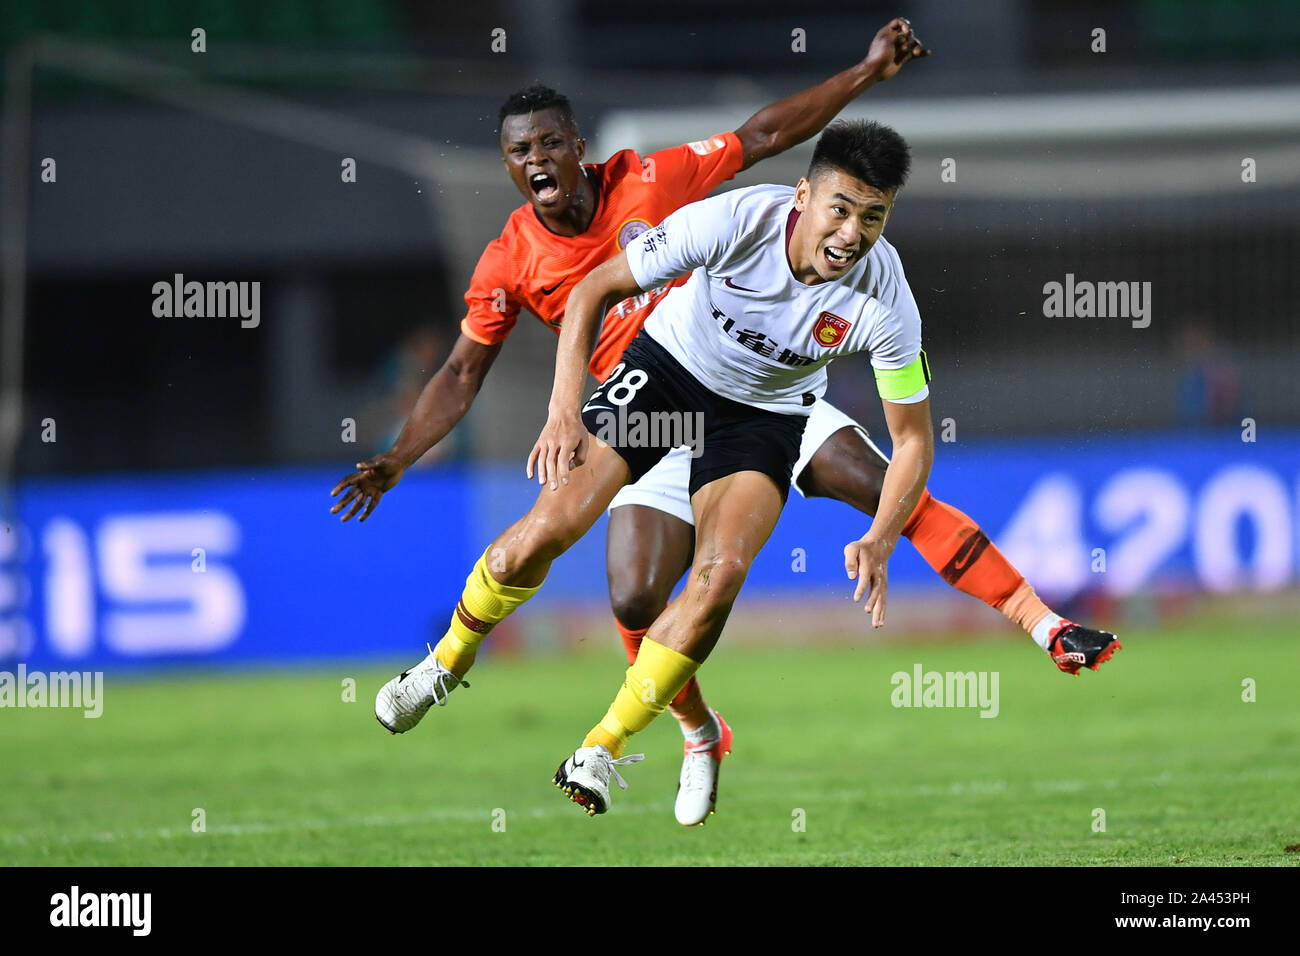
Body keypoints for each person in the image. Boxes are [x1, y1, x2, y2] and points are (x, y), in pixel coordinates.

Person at [332, 19, 1119, 826]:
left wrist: (866, 71)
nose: (536, 161)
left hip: (774, 404)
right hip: (669, 374)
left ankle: (1040, 623)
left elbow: (766, 131)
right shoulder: (554, 250)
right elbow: (486, 357)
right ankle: (670, 724)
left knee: (847, 515)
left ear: (577, 145)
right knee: (618, 583)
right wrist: (500, 427)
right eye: (520, 151)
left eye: (549, 144)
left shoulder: (673, 186)